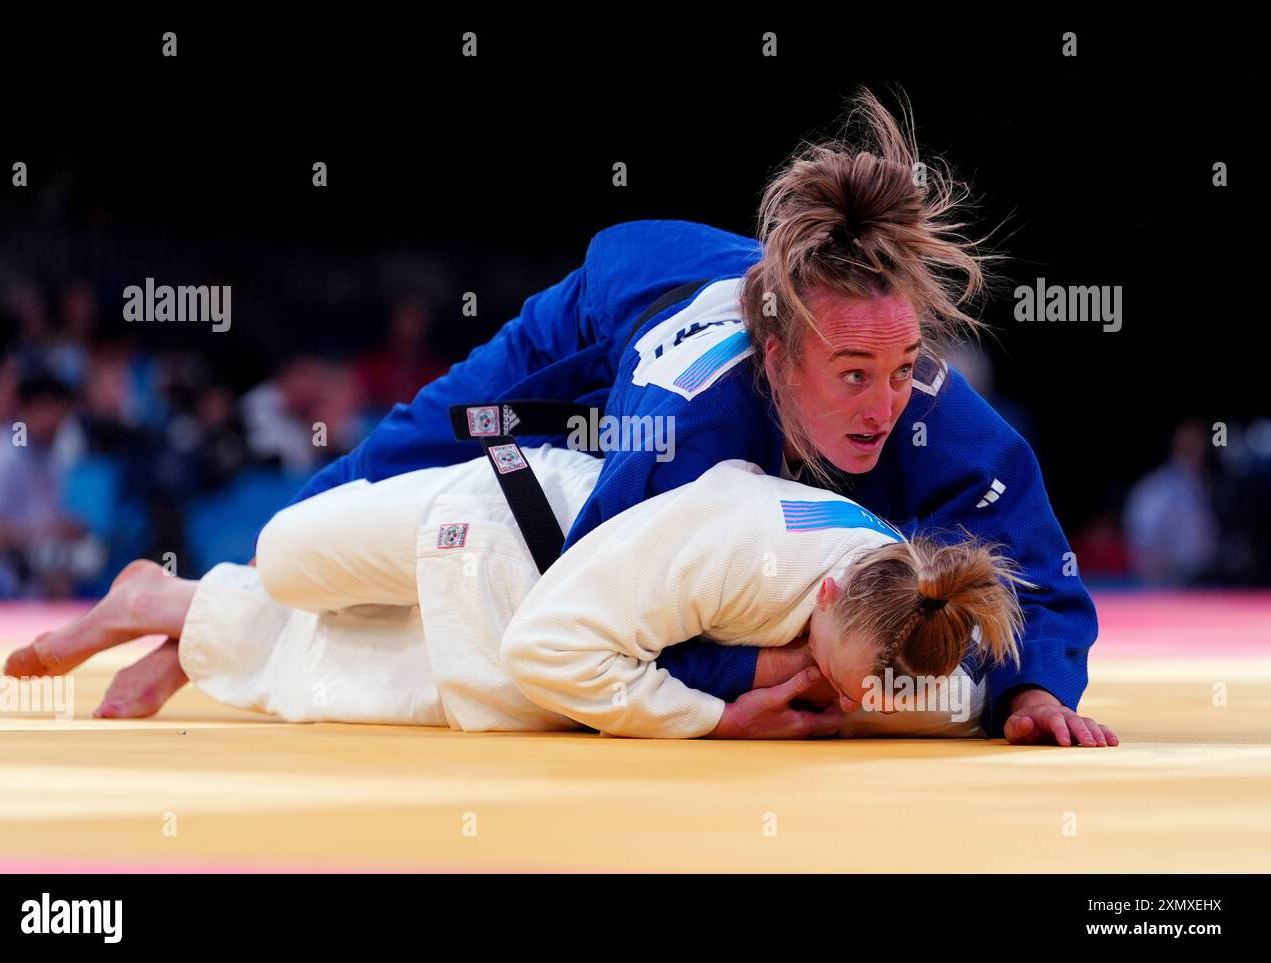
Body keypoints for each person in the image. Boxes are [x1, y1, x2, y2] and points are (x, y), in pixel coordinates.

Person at [218, 88, 1102, 746]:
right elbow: (585, 601)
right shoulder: (682, 424)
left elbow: (1038, 569)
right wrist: (739, 682)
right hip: (615, 303)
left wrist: (1034, 690)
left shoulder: (922, 402)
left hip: (760, 301)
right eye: (854, 375)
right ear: (778, 358)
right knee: (411, 447)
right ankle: (234, 587)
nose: (886, 403)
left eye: (903, 367)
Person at [7, 446, 1098, 743]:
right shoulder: (733, 556)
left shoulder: (901, 595)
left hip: (545, 561)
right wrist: (722, 714)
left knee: (348, 683)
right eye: (832, 673)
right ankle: (174, 603)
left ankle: (169, 611)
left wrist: (1023, 700)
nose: (842, 699)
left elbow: (948, 679)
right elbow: (547, 648)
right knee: (293, 558)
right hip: (500, 528)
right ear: (815, 598)